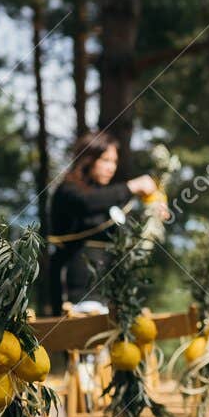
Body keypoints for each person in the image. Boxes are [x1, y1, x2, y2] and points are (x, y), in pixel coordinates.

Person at [48, 131, 160, 309]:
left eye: (114, 162)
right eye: (106, 160)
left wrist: (152, 215)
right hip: (76, 299)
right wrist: (131, 186)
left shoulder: (108, 202)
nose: (111, 168)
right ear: (87, 159)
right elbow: (87, 203)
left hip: (108, 299)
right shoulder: (68, 191)